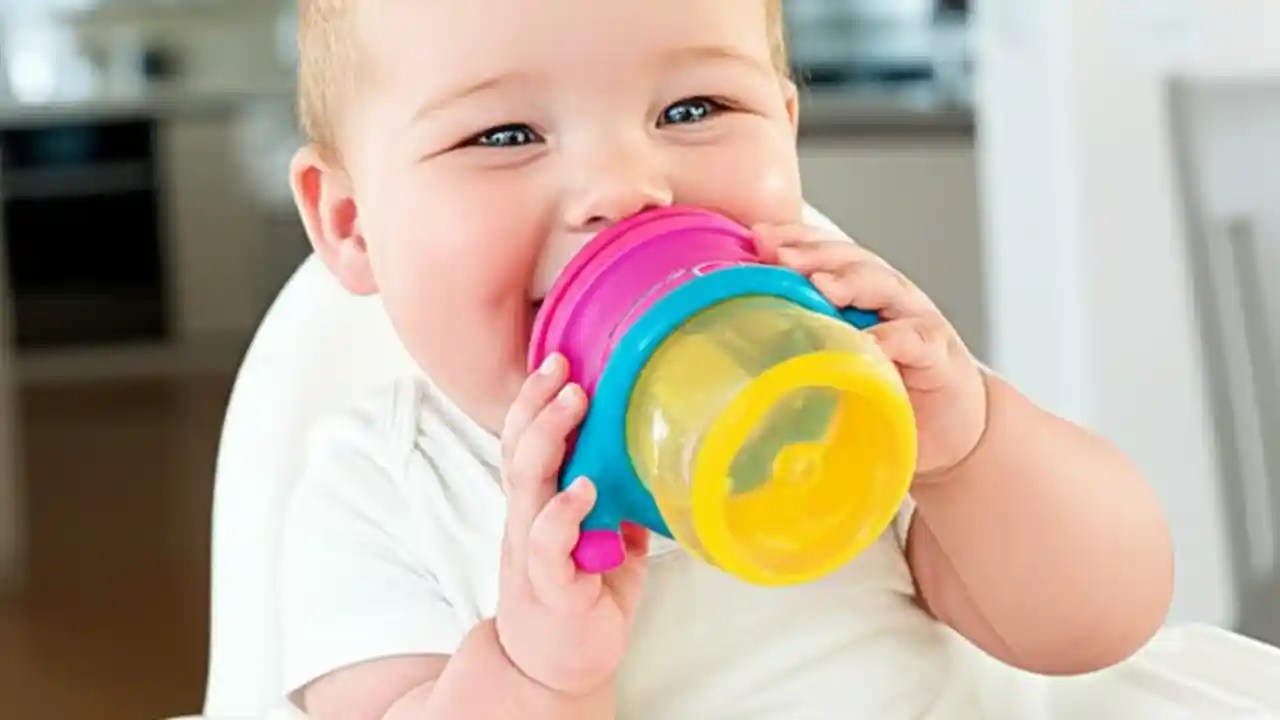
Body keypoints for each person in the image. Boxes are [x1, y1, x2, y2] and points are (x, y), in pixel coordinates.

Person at [280, 1, 1175, 717]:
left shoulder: (841, 383)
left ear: (787, 129)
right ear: (352, 224)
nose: (629, 188)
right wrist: (533, 672)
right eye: (507, 135)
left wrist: (972, 452)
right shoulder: (382, 493)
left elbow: (1097, 630)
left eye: (692, 109)